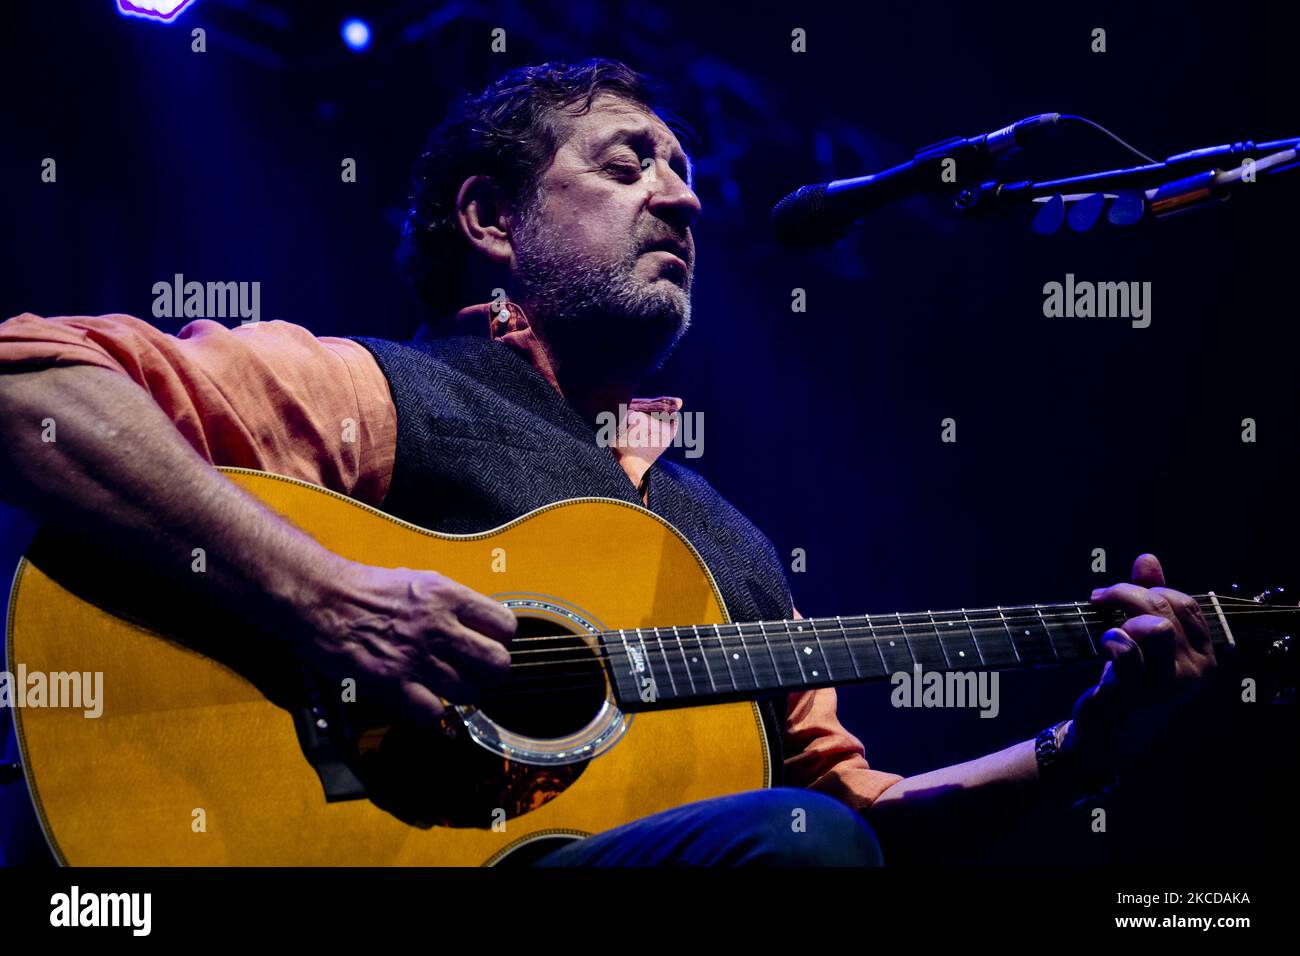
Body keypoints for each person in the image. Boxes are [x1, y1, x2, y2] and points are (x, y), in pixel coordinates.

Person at [0, 59, 1217, 866]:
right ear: (490, 220)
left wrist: (1086, 747)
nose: (680, 201)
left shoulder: (727, 544)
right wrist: (326, 599)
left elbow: (862, 825)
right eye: (629, 164)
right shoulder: (372, 389)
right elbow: (29, 385)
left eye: (685, 176)